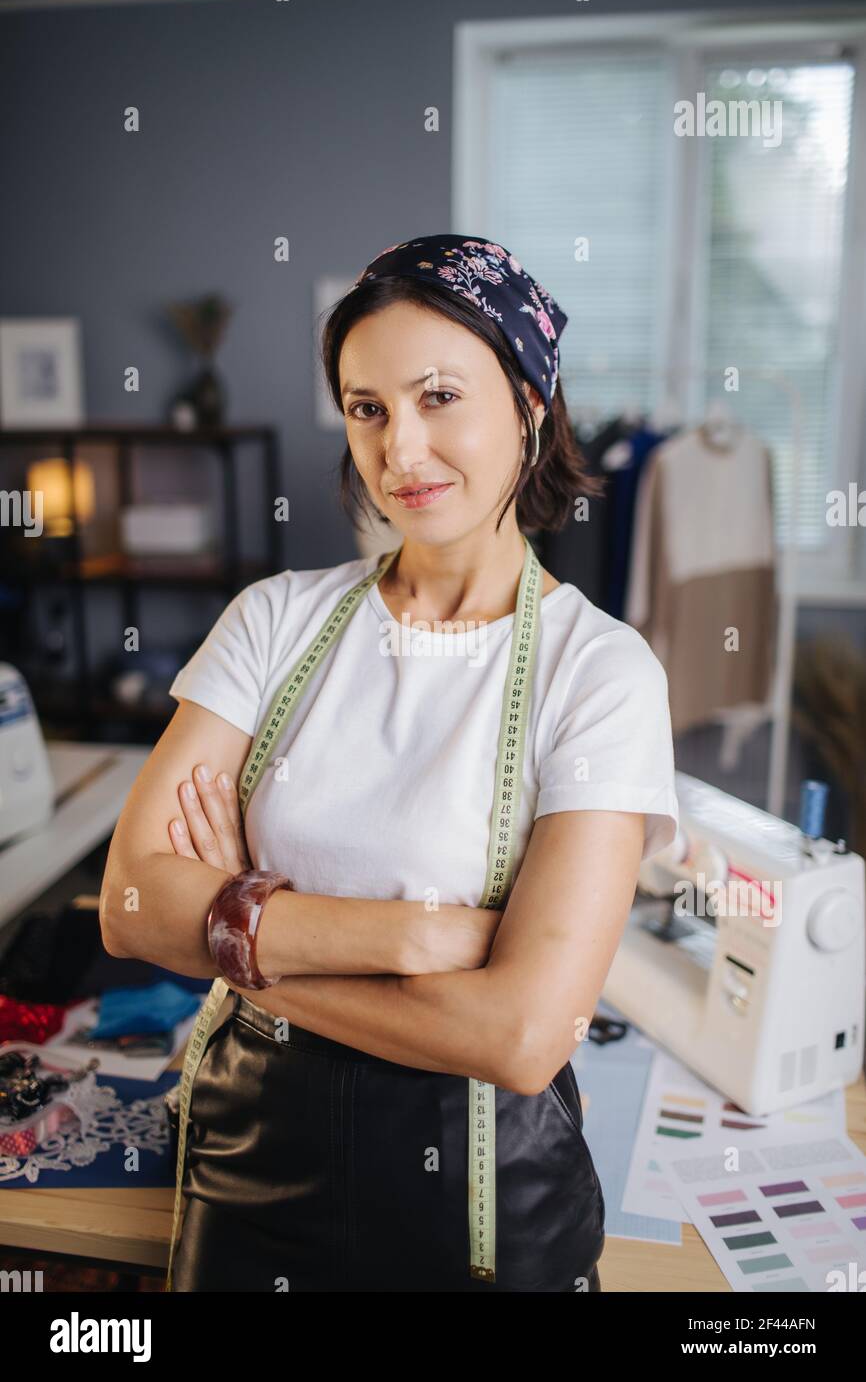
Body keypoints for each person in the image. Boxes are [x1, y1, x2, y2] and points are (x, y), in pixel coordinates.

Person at [100, 234, 679, 1293]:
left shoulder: (599, 673)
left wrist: (234, 924)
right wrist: (414, 937)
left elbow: (516, 1036)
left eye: (438, 395)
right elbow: (132, 903)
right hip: (246, 1186)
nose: (398, 450)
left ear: (529, 404)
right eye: (367, 408)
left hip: (487, 1222)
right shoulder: (274, 620)